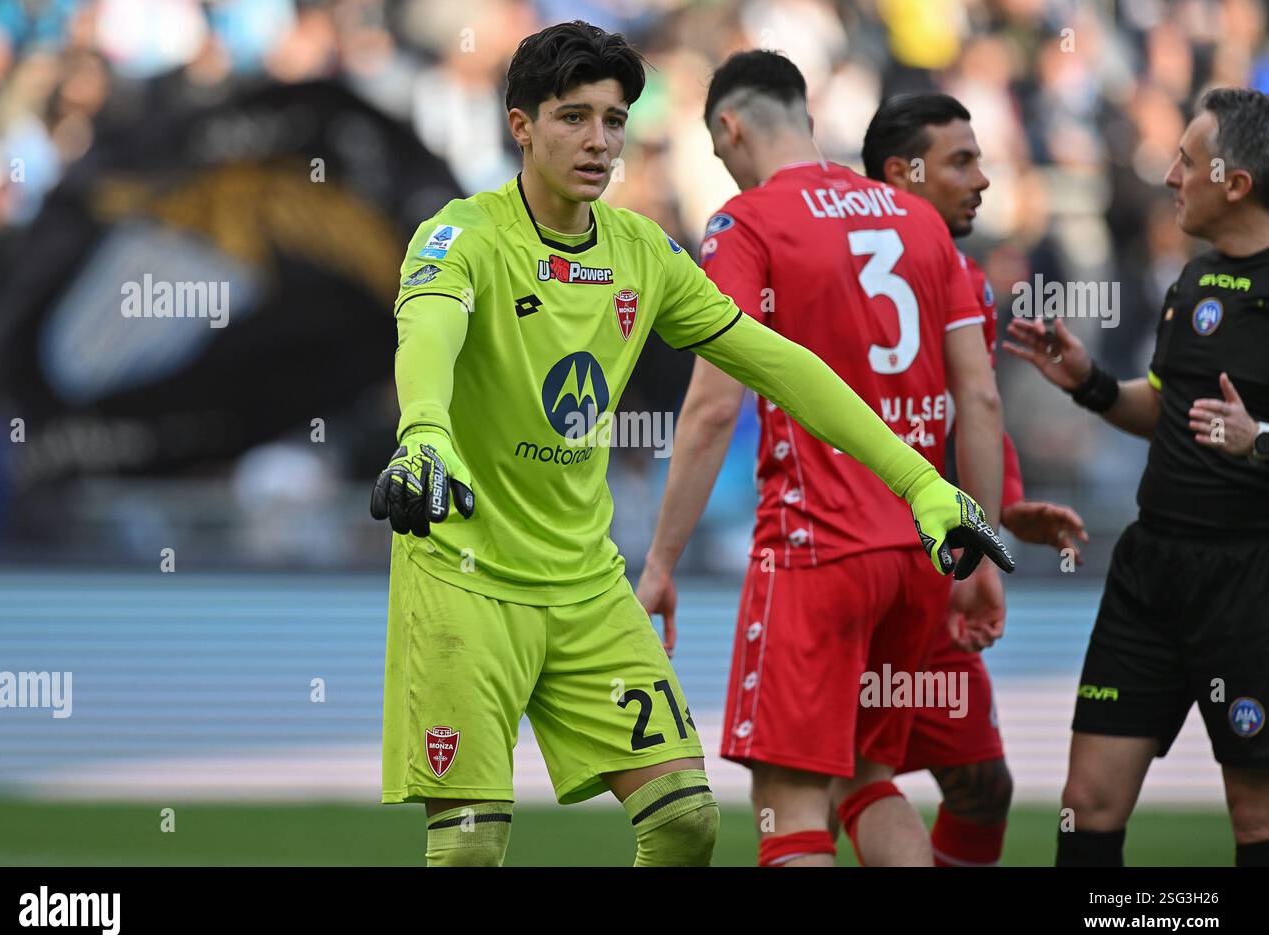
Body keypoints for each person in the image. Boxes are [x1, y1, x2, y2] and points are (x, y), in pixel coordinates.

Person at [370, 22, 1013, 868]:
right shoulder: (462, 235)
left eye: (613, 119)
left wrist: (922, 485)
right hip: (464, 580)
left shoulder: (644, 252)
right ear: (520, 127)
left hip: (584, 584)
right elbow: (429, 333)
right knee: (469, 849)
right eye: (573, 118)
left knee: (685, 821)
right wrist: (423, 431)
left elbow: (782, 366)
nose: (600, 141)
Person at [636, 51, 1011, 867]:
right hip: (920, 552)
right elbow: (978, 400)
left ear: (728, 128)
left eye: (716, 149)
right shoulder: (915, 221)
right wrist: (979, 552)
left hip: (817, 546)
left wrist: (661, 559)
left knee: (788, 802)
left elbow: (711, 405)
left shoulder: (748, 224)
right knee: (869, 779)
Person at [1005, 88, 1269, 867]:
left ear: (1236, 182)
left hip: (1248, 580)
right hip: (1152, 574)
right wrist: (1089, 382)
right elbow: (1162, 409)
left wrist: (1258, 443)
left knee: (1255, 818)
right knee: (1085, 805)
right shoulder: (1191, 284)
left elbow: (1245, 436)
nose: (1168, 175)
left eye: (1187, 161)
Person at [860, 93, 1087, 866]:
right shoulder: (846, 273)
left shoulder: (963, 275)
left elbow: (972, 415)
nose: (983, 180)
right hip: (863, 564)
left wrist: (1006, 507)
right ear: (902, 172)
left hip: (944, 568)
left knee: (982, 786)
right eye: (962, 162)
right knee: (843, 782)